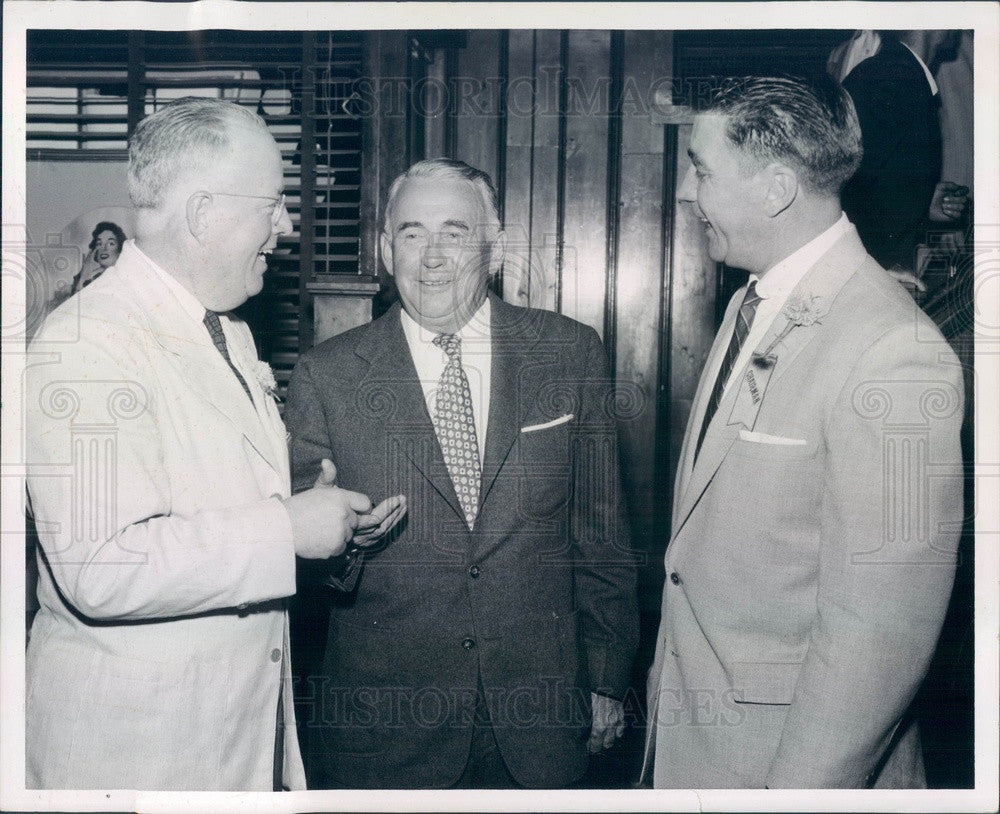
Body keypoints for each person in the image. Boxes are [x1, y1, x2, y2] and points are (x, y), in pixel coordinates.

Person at [24, 96, 403, 791]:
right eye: (274, 203)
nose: (286, 227)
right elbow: (100, 565)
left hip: (231, 739)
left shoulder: (227, 329)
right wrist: (286, 528)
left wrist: (315, 516)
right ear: (203, 214)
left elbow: (203, 502)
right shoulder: (86, 342)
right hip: (137, 759)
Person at [643, 76, 964, 788]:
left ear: (776, 190)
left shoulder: (894, 353)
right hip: (707, 750)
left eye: (701, 170)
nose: (687, 195)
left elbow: (880, 637)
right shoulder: (751, 302)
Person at [285, 158, 639, 789]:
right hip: (387, 733)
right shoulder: (326, 376)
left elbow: (601, 535)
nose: (432, 257)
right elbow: (299, 563)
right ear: (385, 250)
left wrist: (608, 680)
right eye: (412, 233)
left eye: (454, 233)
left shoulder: (568, 353)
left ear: (495, 249)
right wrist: (344, 545)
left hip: (539, 719)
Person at [840, 30, 966, 277]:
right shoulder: (891, 79)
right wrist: (888, 267)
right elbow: (845, 189)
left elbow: (871, 181)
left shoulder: (899, 74)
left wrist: (922, 201)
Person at [73, 220, 127, 292]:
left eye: (111, 244)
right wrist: (83, 277)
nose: (104, 249)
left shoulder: (125, 276)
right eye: (99, 244)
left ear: (120, 249)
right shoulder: (87, 276)